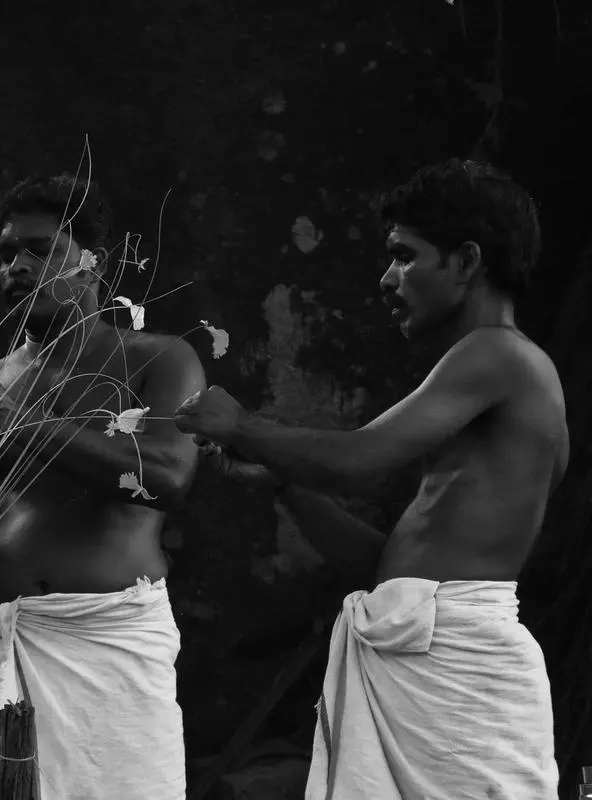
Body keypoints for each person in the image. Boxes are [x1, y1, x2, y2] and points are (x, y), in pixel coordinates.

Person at [174, 158, 567, 799]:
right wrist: (284, 484)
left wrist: (241, 424)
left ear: (466, 262)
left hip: (458, 671)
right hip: (432, 661)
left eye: (405, 257)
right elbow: (391, 573)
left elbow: (358, 462)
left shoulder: (498, 353)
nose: (387, 279)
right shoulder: (490, 372)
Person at [0, 173, 204, 799]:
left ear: (94, 264)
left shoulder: (157, 358)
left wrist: (21, 419)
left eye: (41, 250)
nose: (18, 266)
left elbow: (166, 477)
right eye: (7, 254)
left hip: (109, 636)